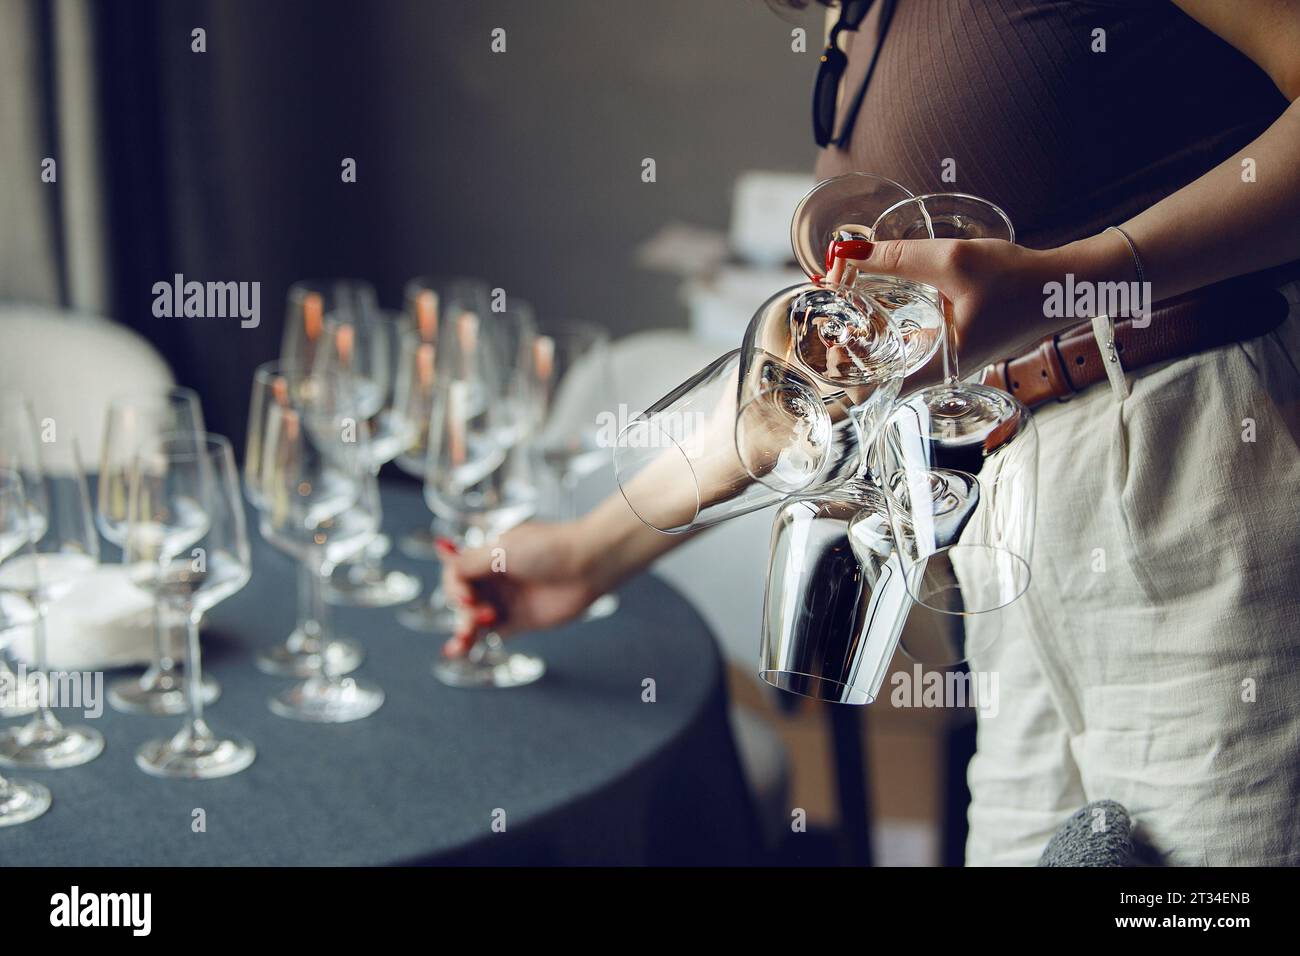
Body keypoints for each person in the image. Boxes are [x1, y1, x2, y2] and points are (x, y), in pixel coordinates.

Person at [441, 0, 1300, 865]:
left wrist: (1068, 285)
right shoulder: (857, 17)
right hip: (1016, 516)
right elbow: (805, 393)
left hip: (1193, 472)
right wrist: (591, 551)